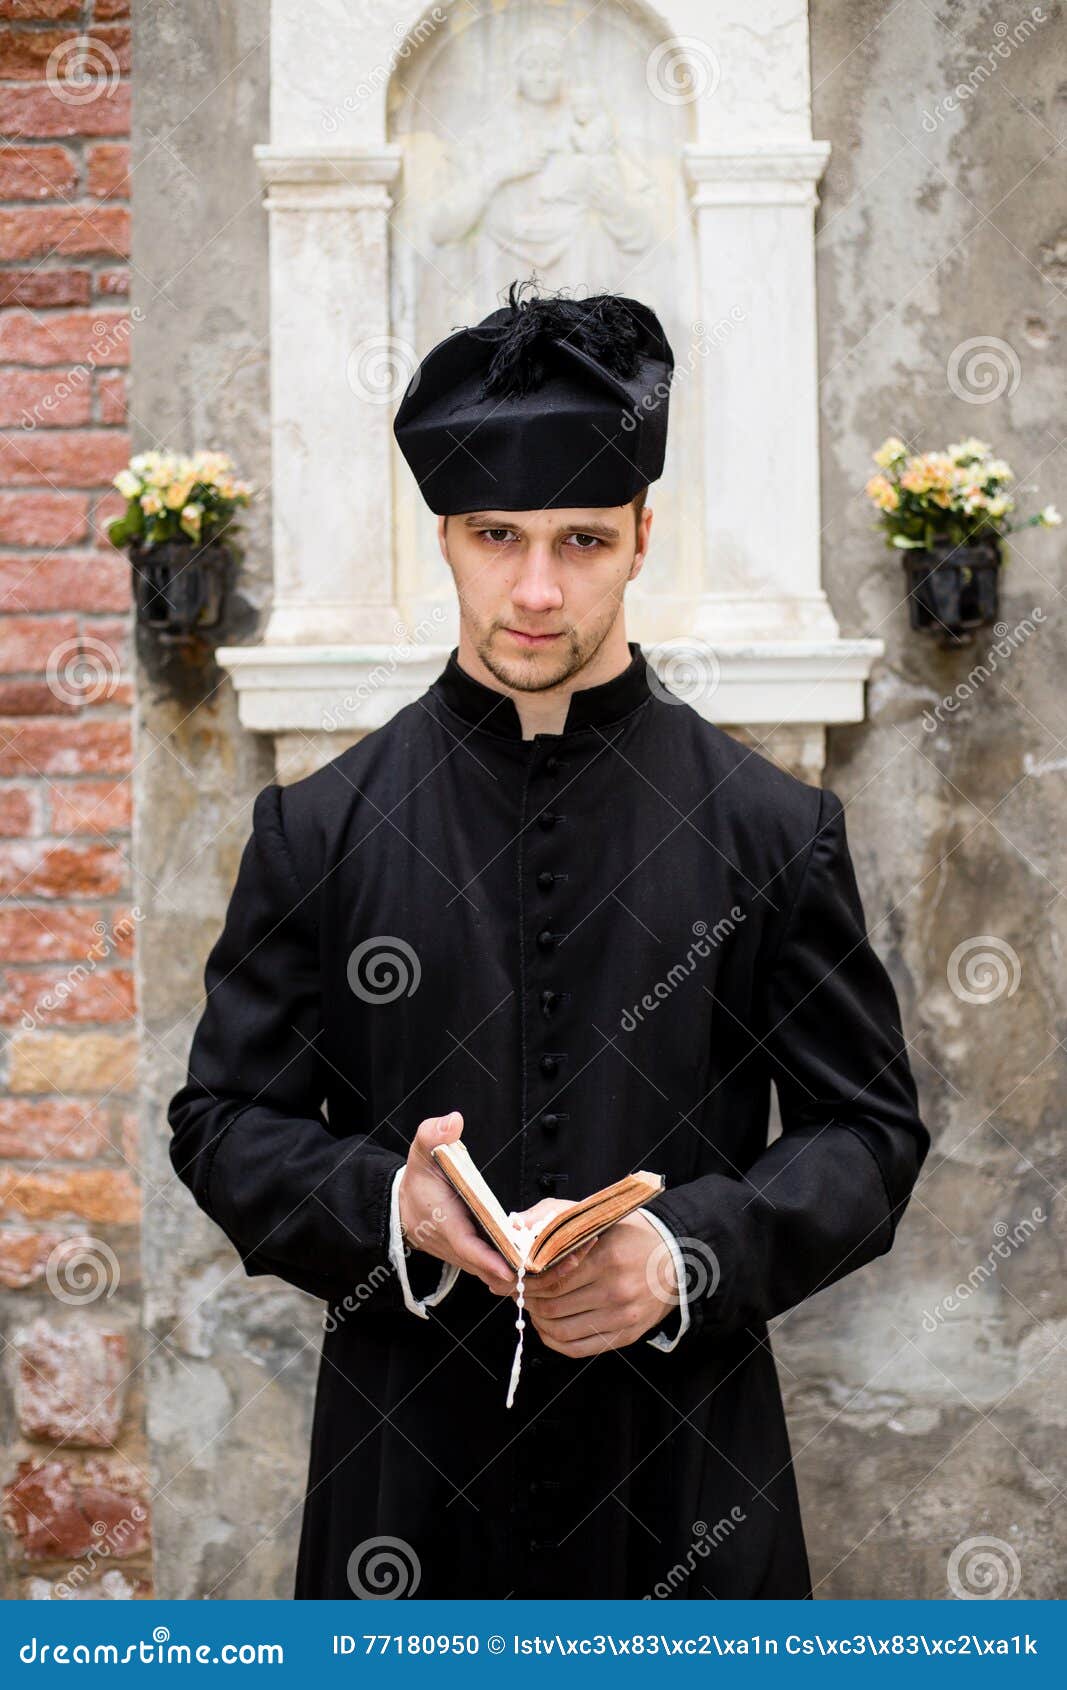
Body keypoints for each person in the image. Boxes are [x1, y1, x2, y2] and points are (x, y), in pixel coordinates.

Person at [168, 279, 929, 1600]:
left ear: (642, 537)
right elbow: (222, 1120)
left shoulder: (771, 827)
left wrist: (684, 1252)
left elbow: (868, 1135)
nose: (534, 588)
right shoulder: (321, 828)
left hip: (686, 1478)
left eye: (580, 540)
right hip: (406, 1486)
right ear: (445, 541)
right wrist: (392, 1205)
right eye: (496, 536)